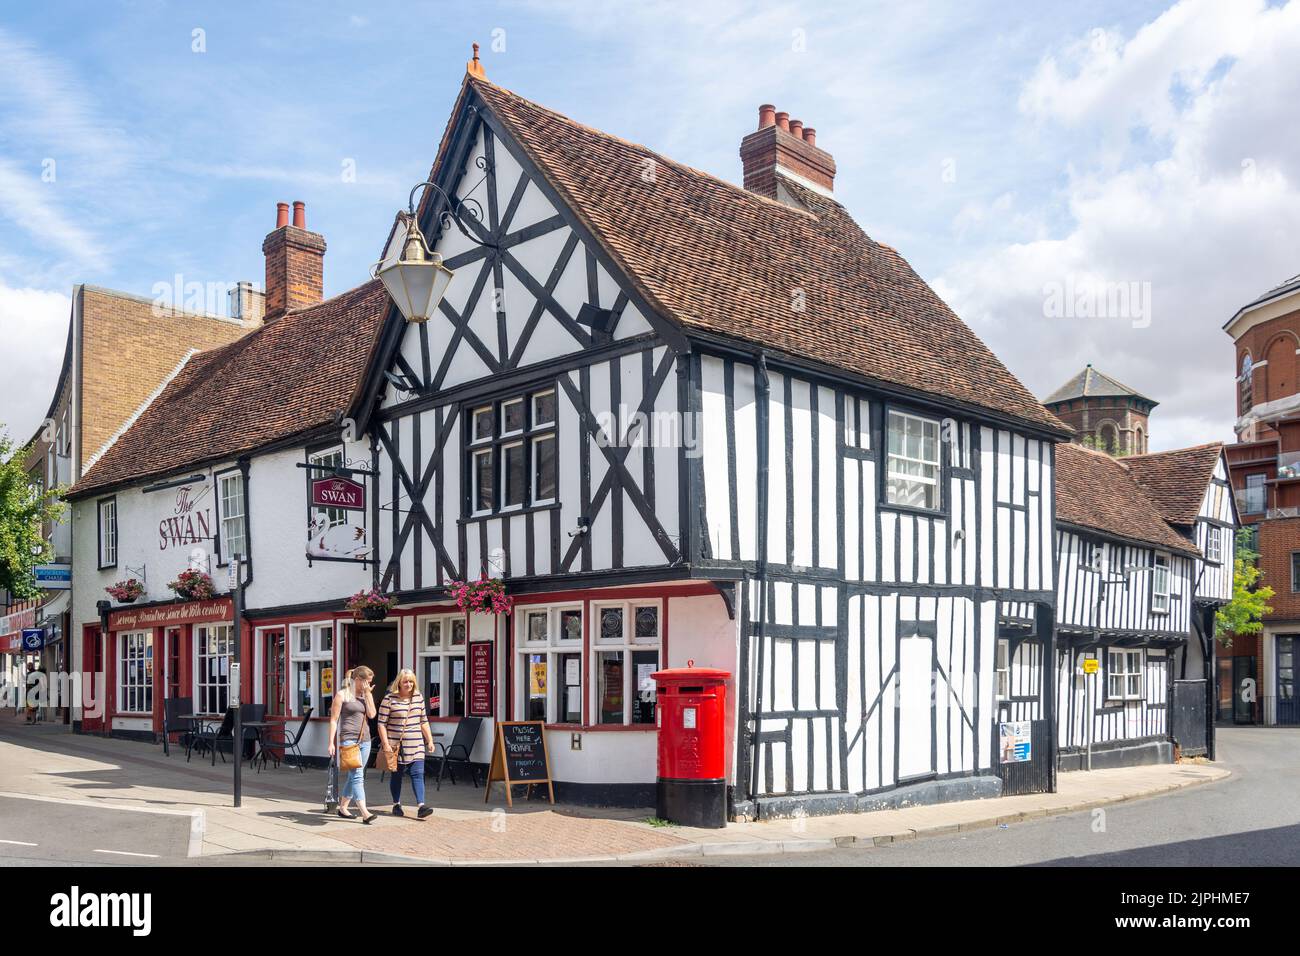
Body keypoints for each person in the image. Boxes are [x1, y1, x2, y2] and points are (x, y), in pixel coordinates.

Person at [378, 668, 435, 819]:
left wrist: (429, 740)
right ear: (399, 683)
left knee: (418, 773)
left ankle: (421, 806)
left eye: (411, 681)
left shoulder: (418, 697)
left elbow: (423, 720)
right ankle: (396, 804)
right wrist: (386, 744)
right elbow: (381, 723)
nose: (408, 684)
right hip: (397, 745)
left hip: (416, 743)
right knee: (397, 776)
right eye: (405, 681)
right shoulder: (389, 699)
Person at [328, 666, 377, 823]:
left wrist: (368, 694)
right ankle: (365, 813)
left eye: (370, 682)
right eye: (366, 682)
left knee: (354, 775)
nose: (368, 685)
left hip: (365, 739)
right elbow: (334, 720)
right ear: (357, 680)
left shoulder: (365, 694)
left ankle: (343, 808)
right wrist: (331, 742)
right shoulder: (342, 695)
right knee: (357, 776)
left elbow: (372, 714)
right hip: (348, 739)